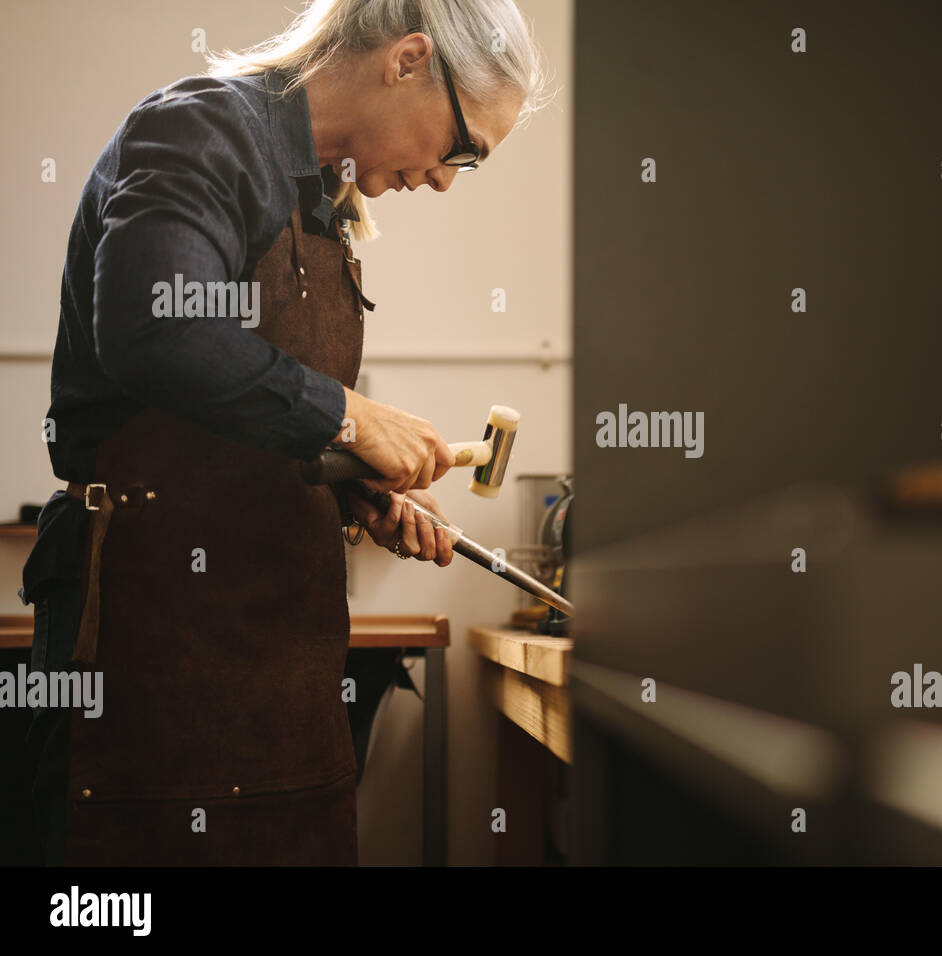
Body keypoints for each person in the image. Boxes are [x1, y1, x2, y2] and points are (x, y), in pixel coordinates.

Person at [18, 0, 550, 865]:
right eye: (460, 149)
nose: (448, 179)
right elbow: (156, 329)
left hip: (283, 673)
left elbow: (234, 418)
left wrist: (350, 486)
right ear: (410, 59)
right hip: (149, 646)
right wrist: (352, 415)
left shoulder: (321, 198)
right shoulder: (201, 131)